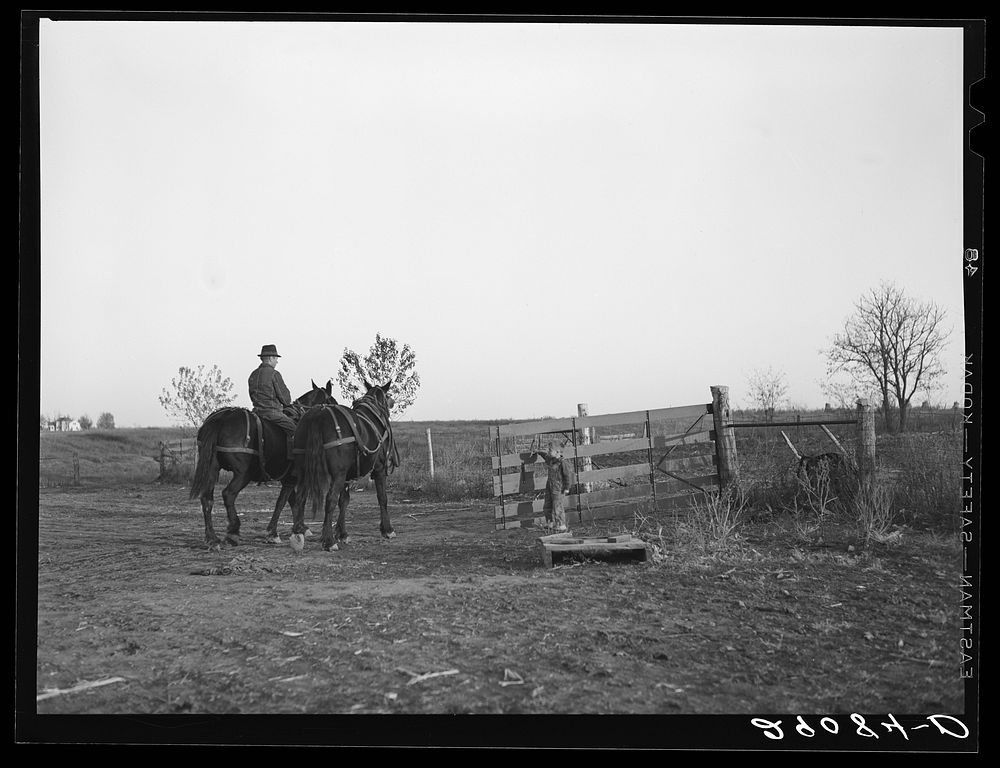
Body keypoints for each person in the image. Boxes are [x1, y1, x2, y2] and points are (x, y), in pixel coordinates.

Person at [248, 344, 296, 459]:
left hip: (256, 413)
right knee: (295, 430)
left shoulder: (253, 375)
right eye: (276, 359)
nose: (277, 362)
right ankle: (293, 460)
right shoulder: (275, 374)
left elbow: (252, 395)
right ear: (270, 358)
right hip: (272, 413)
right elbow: (285, 399)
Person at [532, 443, 573, 533]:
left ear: (557, 452)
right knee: (547, 504)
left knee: (557, 506)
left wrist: (567, 487)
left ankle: (561, 524)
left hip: (559, 488)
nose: (548, 451)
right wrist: (538, 452)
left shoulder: (563, 463)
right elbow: (545, 455)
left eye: (550, 450)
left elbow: (567, 476)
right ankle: (550, 522)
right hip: (549, 486)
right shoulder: (551, 459)